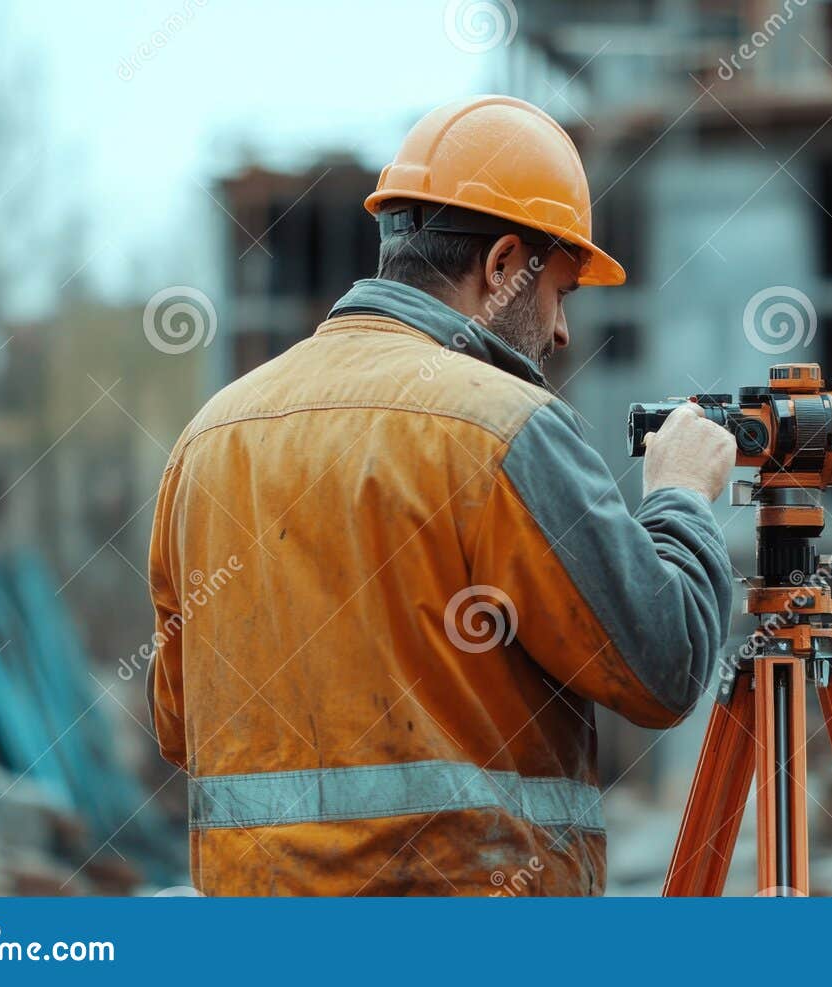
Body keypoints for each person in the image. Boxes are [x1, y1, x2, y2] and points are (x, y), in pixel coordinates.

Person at [147, 95, 737, 895]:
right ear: (501, 268)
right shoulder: (504, 426)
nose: (562, 331)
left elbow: (182, 726)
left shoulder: (209, 437)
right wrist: (680, 498)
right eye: (561, 292)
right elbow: (663, 666)